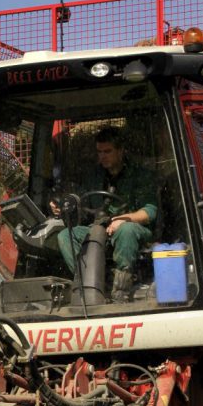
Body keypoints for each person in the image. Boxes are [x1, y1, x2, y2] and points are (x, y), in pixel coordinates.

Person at [51, 126, 163, 300]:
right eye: (99, 152)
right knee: (65, 236)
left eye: (108, 151)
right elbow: (80, 199)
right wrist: (64, 204)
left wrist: (123, 219)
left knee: (126, 230)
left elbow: (150, 212)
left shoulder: (141, 175)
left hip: (135, 230)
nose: (102, 156)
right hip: (100, 228)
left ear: (121, 151)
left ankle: (121, 289)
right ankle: (88, 282)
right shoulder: (94, 176)